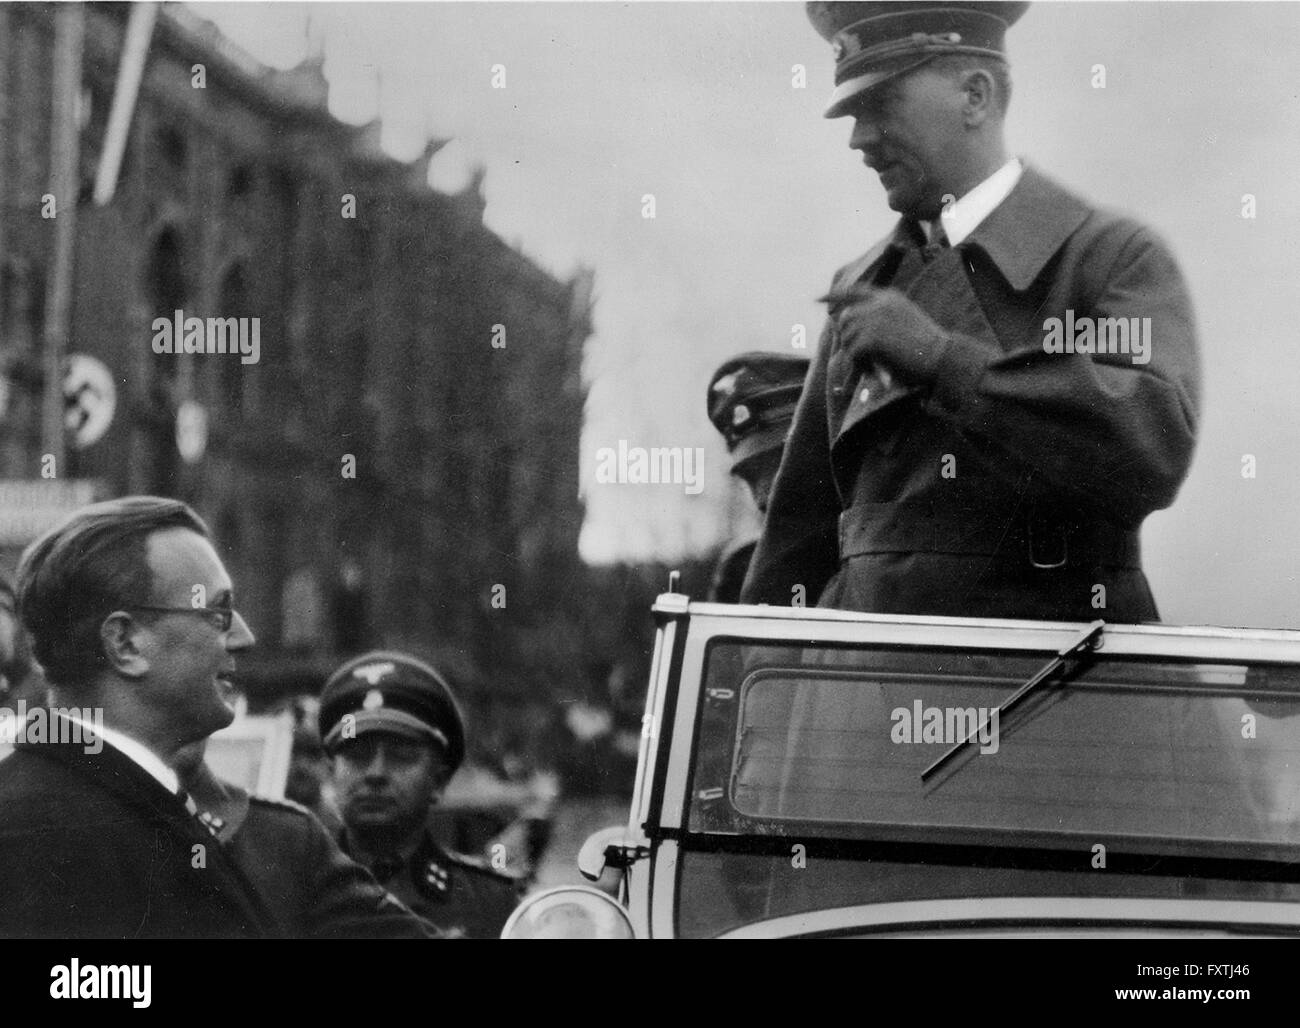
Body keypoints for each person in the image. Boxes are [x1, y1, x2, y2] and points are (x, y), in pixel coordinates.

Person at [742, 2, 1200, 622]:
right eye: (852, 113)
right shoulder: (861, 286)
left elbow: (1149, 456)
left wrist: (941, 360)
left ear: (975, 97)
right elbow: (799, 542)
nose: (858, 139)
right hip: (867, 697)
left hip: (1061, 694)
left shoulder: (1109, 260)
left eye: (879, 105)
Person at [0, 497, 277, 937]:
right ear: (125, 644)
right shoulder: (45, 833)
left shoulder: (126, 802)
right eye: (218, 612)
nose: (243, 637)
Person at [320, 651, 522, 938]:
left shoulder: (491, 902)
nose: (375, 773)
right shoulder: (287, 892)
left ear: (438, 781)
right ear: (331, 775)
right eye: (357, 756)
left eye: (401, 757)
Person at [173, 739, 442, 939]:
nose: (300, 767)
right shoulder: (255, 832)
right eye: (293, 753)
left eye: (311, 753)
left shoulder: (301, 841)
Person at [705, 352, 810, 602]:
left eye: (776, 467)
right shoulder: (740, 572)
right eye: (751, 477)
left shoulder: (865, 562)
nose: (762, 497)